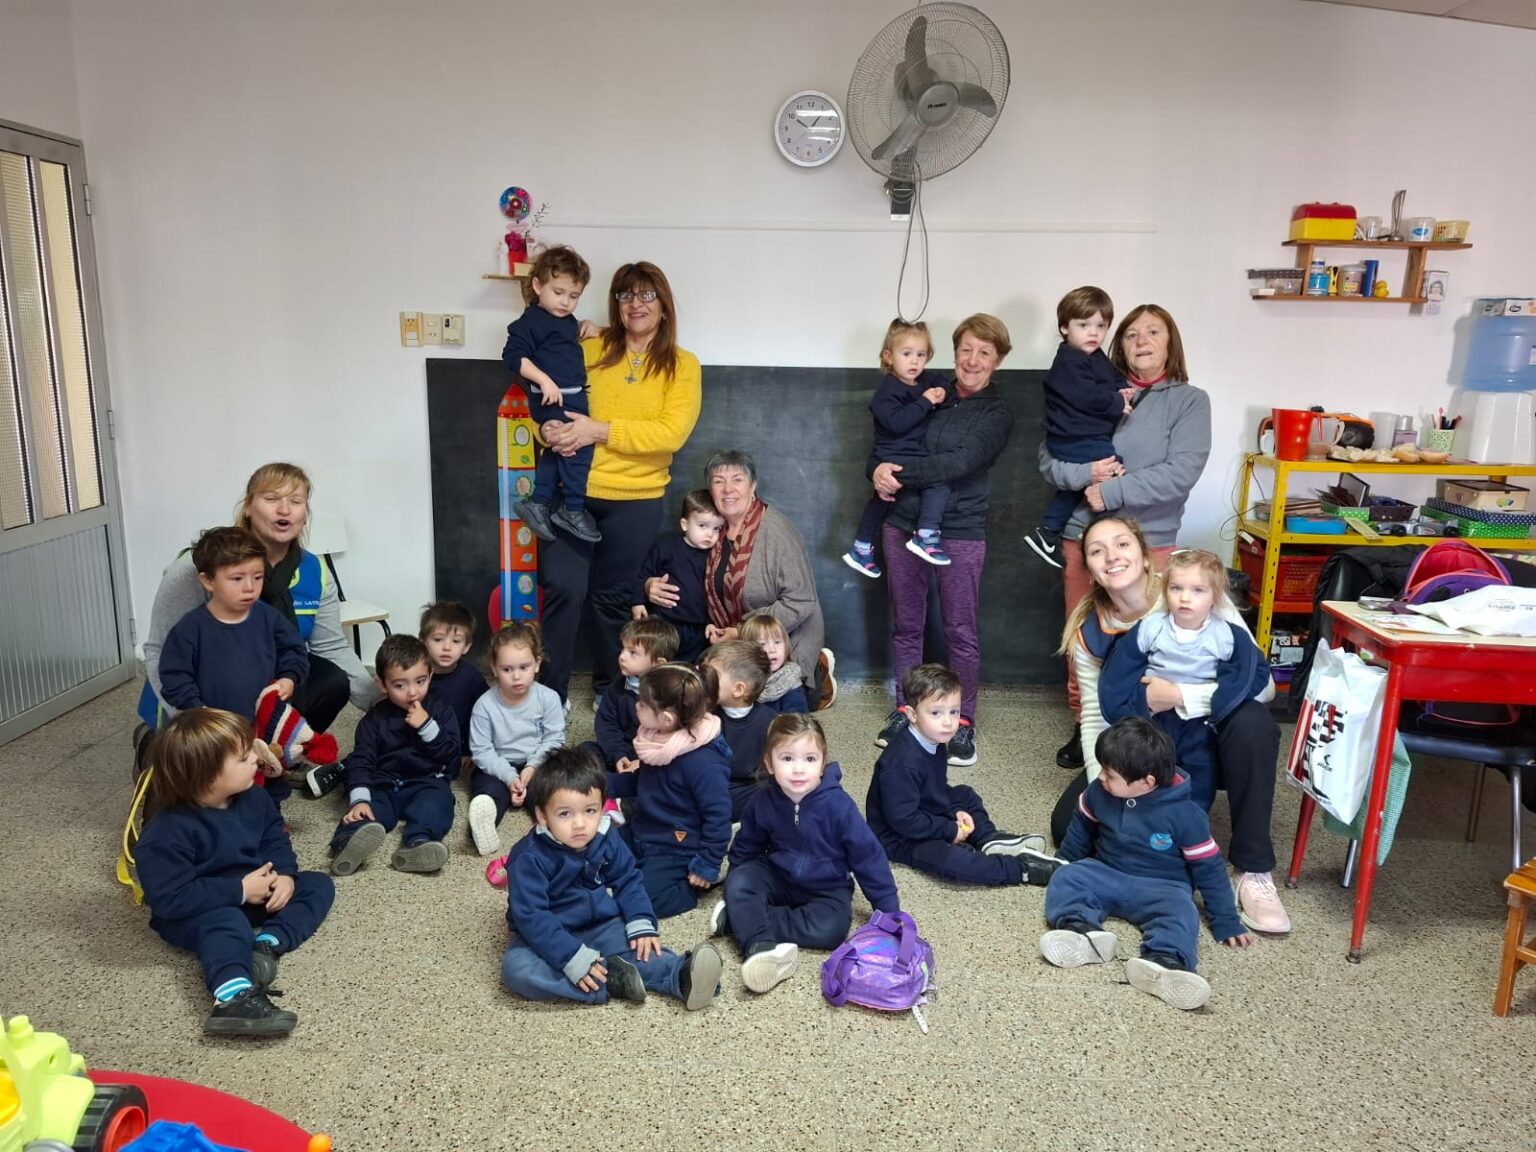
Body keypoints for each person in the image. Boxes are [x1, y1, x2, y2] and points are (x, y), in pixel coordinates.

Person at [1055, 513, 1289, 935]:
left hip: (1213, 737)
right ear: (1088, 569)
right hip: (1145, 745)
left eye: (1122, 544)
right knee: (1067, 822)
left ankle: (1253, 869)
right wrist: (1105, 785)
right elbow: (1094, 715)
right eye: (1096, 550)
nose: (1111, 556)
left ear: (1145, 557)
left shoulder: (1194, 591)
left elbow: (1264, 684)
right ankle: (1152, 852)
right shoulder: (1090, 631)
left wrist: (1178, 696)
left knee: (1255, 723)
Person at [1037, 305, 1210, 771]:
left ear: (1170, 341)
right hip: (1083, 537)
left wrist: (1110, 490)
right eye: (1131, 334)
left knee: (1151, 642)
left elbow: (1182, 472)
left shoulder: (1190, 400)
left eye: (1153, 332)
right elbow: (1050, 459)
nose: (1141, 341)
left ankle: (1141, 731)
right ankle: (1085, 724)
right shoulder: (1094, 386)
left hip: (1151, 540)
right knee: (1084, 639)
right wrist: (1085, 477)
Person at [535, 261, 702, 704]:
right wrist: (546, 430)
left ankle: (613, 693)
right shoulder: (588, 347)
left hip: (636, 501)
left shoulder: (683, 366)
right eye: (627, 295)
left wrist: (599, 430)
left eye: (647, 295)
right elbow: (548, 401)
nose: (636, 304)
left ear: (664, 306)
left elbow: (670, 434)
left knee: (612, 600)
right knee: (564, 591)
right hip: (571, 494)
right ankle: (550, 694)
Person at [139, 463, 379, 759]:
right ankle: (160, 742)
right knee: (191, 786)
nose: (284, 510)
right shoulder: (198, 566)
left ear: (305, 513)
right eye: (271, 499)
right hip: (201, 691)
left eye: (295, 501)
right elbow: (159, 650)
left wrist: (383, 701)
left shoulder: (314, 571)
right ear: (249, 506)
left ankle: (271, 755)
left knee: (331, 680)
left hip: (266, 682)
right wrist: (192, 721)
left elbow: (330, 647)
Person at [134, 708, 335, 1037]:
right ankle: (232, 996)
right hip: (197, 908)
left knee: (317, 885)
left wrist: (284, 875)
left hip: (253, 888)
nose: (255, 760)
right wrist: (239, 891)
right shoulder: (166, 834)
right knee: (225, 922)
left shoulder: (253, 797)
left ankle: (266, 945)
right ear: (207, 776)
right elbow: (170, 899)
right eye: (243, 759)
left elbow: (273, 838)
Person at [871, 314, 1015, 767]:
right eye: (966, 349)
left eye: (984, 352)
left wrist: (900, 474)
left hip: (960, 529)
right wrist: (874, 470)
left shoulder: (997, 412)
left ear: (998, 360)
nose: (973, 360)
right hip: (902, 522)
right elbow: (887, 438)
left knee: (960, 631)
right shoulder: (925, 389)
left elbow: (959, 462)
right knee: (907, 626)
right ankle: (907, 710)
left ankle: (963, 720)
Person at [1041, 719, 1253, 1011]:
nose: (1101, 777)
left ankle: (1165, 962)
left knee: (1182, 912)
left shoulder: (1185, 816)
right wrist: (1066, 860)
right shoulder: (1099, 792)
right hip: (1107, 872)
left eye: (1109, 773)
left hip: (1162, 888)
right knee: (1068, 877)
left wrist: (1226, 919)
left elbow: (1210, 868)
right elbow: (1081, 827)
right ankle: (1081, 932)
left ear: (1146, 782)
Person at [499, 747, 722, 1010]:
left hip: (600, 925)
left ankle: (682, 976)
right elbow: (532, 917)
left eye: (590, 811)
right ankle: (611, 982)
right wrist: (571, 957)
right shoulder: (528, 857)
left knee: (641, 948)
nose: (580, 824)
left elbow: (628, 879)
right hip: (547, 934)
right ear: (541, 816)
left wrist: (640, 920)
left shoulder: (606, 837)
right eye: (565, 814)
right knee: (518, 971)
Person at [713, 714, 899, 994]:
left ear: (822, 764)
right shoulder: (762, 800)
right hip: (777, 875)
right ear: (768, 763)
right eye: (787, 759)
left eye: (809, 759)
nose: (798, 769)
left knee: (833, 930)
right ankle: (759, 946)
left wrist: (888, 908)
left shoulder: (839, 806)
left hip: (827, 887)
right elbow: (747, 844)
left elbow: (868, 856)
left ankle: (738, 920)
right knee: (740, 881)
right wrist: (735, 881)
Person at [645, 449, 832, 706]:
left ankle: (816, 673)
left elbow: (801, 602)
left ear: (753, 486)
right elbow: (686, 572)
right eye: (718, 481)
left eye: (737, 479)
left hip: (780, 638)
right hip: (726, 635)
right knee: (697, 700)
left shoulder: (776, 532)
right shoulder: (714, 530)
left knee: (755, 705)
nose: (727, 489)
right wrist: (650, 585)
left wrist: (741, 632)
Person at [1098, 549, 1271, 812]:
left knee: (1200, 775)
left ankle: (1192, 825)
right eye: (1176, 588)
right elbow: (1119, 671)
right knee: (1151, 770)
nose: (1185, 598)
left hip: (1199, 723)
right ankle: (1147, 825)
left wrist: (1220, 703)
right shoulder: (1151, 627)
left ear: (1215, 596)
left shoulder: (1225, 635)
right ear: (1166, 590)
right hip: (1155, 719)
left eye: (1198, 590)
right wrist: (1132, 706)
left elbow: (1253, 674)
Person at [866, 664, 1059, 888]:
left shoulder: (934, 739)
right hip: (899, 838)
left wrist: (954, 811)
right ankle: (1022, 869)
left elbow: (936, 789)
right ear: (912, 715)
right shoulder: (901, 763)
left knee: (965, 795)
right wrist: (949, 829)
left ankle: (987, 838)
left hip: (923, 811)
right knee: (951, 861)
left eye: (954, 711)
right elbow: (904, 820)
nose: (948, 721)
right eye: (936, 712)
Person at [606, 663, 732, 918]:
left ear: (666, 718)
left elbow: (718, 817)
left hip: (676, 848)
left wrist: (707, 864)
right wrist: (599, 785)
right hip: (643, 830)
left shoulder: (704, 763)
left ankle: (689, 890)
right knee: (593, 855)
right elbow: (644, 781)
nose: (636, 705)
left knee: (641, 902)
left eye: (642, 703)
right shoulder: (657, 740)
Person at [329, 635, 460, 877]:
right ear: (382, 684)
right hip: (384, 785)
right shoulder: (374, 720)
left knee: (436, 806)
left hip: (427, 782)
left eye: (420, 681)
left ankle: (418, 844)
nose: (412, 692)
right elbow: (361, 761)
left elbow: (451, 758)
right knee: (365, 812)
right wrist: (359, 800)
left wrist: (428, 727)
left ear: (430, 675)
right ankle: (347, 843)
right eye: (400, 685)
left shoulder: (441, 711)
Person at [1025, 286, 1134, 568]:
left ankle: (1047, 532)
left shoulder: (1095, 357)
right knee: (1110, 469)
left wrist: (1122, 388)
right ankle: (1098, 536)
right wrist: (1115, 403)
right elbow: (1085, 395)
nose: (1093, 333)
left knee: (1083, 484)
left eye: (1100, 326)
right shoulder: (1069, 361)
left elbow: (1112, 377)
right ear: (1064, 328)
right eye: (1083, 325)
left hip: (1080, 436)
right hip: (1072, 438)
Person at [502, 245, 598, 544]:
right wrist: (544, 381)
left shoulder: (566, 321)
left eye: (574, 295)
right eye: (558, 292)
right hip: (554, 399)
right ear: (537, 285)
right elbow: (512, 355)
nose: (566, 302)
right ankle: (572, 508)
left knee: (558, 450)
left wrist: (591, 326)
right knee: (577, 449)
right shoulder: (532, 320)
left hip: (571, 395)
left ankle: (539, 502)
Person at [843, 319, 952, 576]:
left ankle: (862, 545)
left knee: (884, 500)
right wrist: (926, 402)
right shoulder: (887, 391)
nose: (914, 361)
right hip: (893, 456)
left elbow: (945, 382)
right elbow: (896, 423)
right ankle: (926, 533)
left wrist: (942, 392)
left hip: (912, 454)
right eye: (907, 354)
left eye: (921, 355)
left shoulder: (925, 379)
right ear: (889, 357)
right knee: (937, 483)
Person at [466, 622, 565, 856]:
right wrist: (510, 777)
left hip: (538, 763)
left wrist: (531, 767)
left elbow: (554, 740)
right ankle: (484, 823)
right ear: (494, 668)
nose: (517, 676)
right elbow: (481, 751)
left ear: (537, 664)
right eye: (507, 669)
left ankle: (550, 825)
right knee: (487, 789)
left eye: (524, 667)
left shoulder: (549, 699)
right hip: (498, 765)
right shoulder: (484, 705)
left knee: (549, 787)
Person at [631, 489, 723, 663]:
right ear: (685, 524)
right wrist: (637, 602)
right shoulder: (667, 547)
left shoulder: (715, 556)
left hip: (698, 627)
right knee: (657, 661)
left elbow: (715, 593)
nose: (710, 534)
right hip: (665, 621)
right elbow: (645, 573)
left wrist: (712, 622)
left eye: (717, 528)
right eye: (702, 526)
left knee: (689, 667)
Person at [591, 617, 679, 771]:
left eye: (633, 653)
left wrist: (643, 762)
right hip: (621, 754)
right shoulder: (618, 685)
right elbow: (606, 723)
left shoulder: (672, 694)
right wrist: (618, 754)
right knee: (587, 751)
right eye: (623, 648)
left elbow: (674, 740)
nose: (622, 657)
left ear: (658, 664)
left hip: (653, 759)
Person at [699, 639, 774, 820]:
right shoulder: (706, 713)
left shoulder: (770, 721)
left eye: (713, 675)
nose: (704, 679)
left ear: (739, 689)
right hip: (713, 783)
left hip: (749, 787)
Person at [420, 600, 487, 748]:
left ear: (466, 647)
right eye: (438, 639)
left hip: (460, 744)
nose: (447, 647)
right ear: (423, 641)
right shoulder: (417, 676)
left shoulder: (472, 678)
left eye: (456, 641)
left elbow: (484, 717)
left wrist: (470, 751)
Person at [738, 611, 809, 714]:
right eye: (762, 644)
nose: (772, 649)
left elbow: (798, 719)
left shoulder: (789, 679)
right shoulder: (742, 678)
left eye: (777, 642)